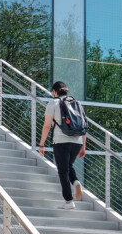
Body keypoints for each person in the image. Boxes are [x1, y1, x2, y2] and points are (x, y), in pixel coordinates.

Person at [38, 79, 88, 208]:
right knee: (68, 166)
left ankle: (69, 201)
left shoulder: (53, 103)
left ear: (54, 91)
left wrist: (42, 144)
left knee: (63, 171)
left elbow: (47, 126)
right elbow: (84, 126)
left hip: (61, 141)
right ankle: (76, 182)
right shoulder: (77, 103)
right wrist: (83, 146)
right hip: (77, 141)